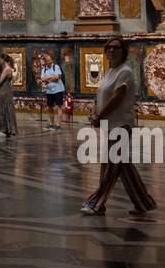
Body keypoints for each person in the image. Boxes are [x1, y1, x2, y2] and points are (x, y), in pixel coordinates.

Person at [80, 36, 156, 216]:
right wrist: (96, 113)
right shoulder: (112, 71)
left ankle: (97, 203)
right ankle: (143, 202)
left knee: (111, 165)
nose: (112, 51)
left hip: (121, 125)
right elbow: (103, 94)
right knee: (122, 165)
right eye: (109, 48)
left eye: (116, 48)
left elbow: (117, 98)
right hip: (110, 125)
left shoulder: (125, 71)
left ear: (124, 51)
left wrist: (100, 115)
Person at [0, 53, 18, 139]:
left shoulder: (6, 69)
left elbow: (0, 82)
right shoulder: (8, 69)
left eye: (0, 60)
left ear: (3, 60)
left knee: (2, 110)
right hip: (6, 90)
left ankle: (3, 130)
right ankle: (8, 129)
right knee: (7, 110)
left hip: (5, 91)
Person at [40, 52, 65, 130]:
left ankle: (58, 125)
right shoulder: (43, 70)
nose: (50, 62)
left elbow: (57, 77)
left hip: (58, 90)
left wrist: (47, 78)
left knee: (59, 106)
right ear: (45, 61)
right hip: (49, 91)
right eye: (48, 60)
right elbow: (42, 79)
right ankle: (51, 123)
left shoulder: (56, 66)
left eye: (51, 60)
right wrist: (51, 77)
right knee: (50, 107)